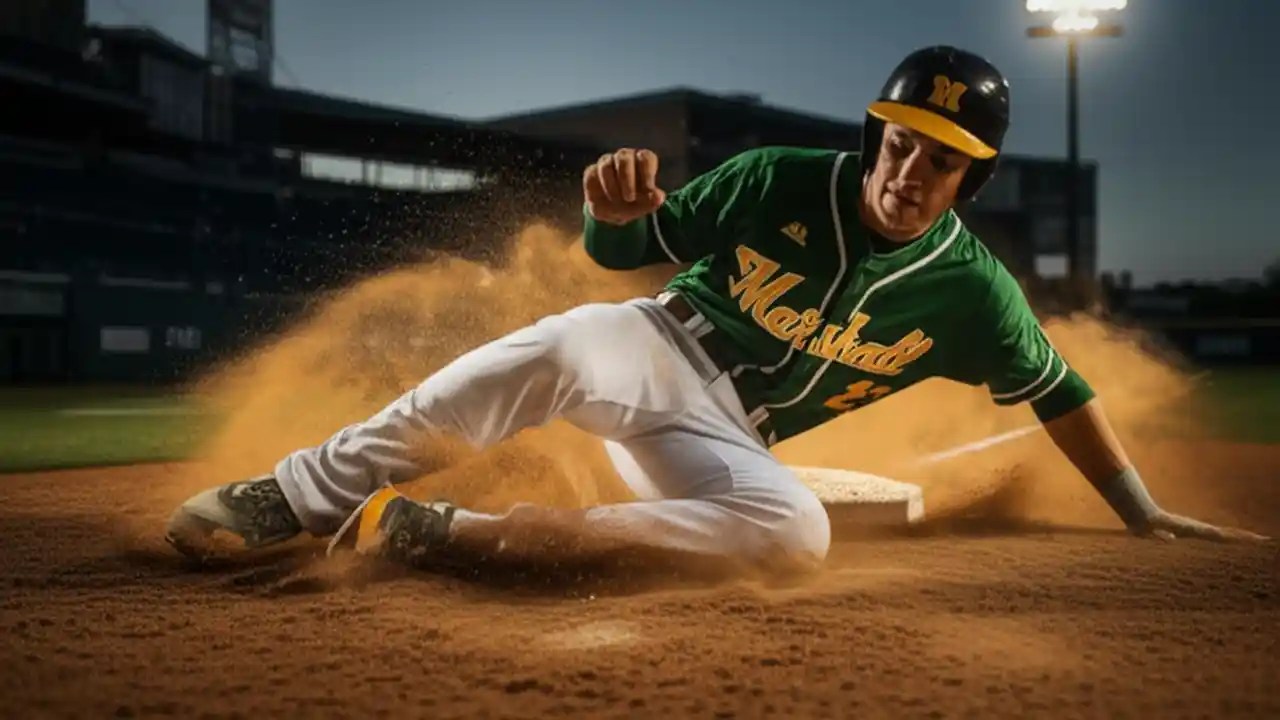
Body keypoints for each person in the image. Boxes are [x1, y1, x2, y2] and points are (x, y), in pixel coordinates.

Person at [166, 46, 1268, 577]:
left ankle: (462, 539)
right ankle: (297, 495)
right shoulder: (782, 176)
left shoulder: (973, 292)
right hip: (651, 348)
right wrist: (605, 220)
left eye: (939, 161)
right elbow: (632, 251)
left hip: (724, 438)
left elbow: (1057, 390)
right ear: (874, 132)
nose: (907, 168)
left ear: (967, 182)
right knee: (550, 345)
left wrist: (1134, 509)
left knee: (796, 534)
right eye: (897, 141)